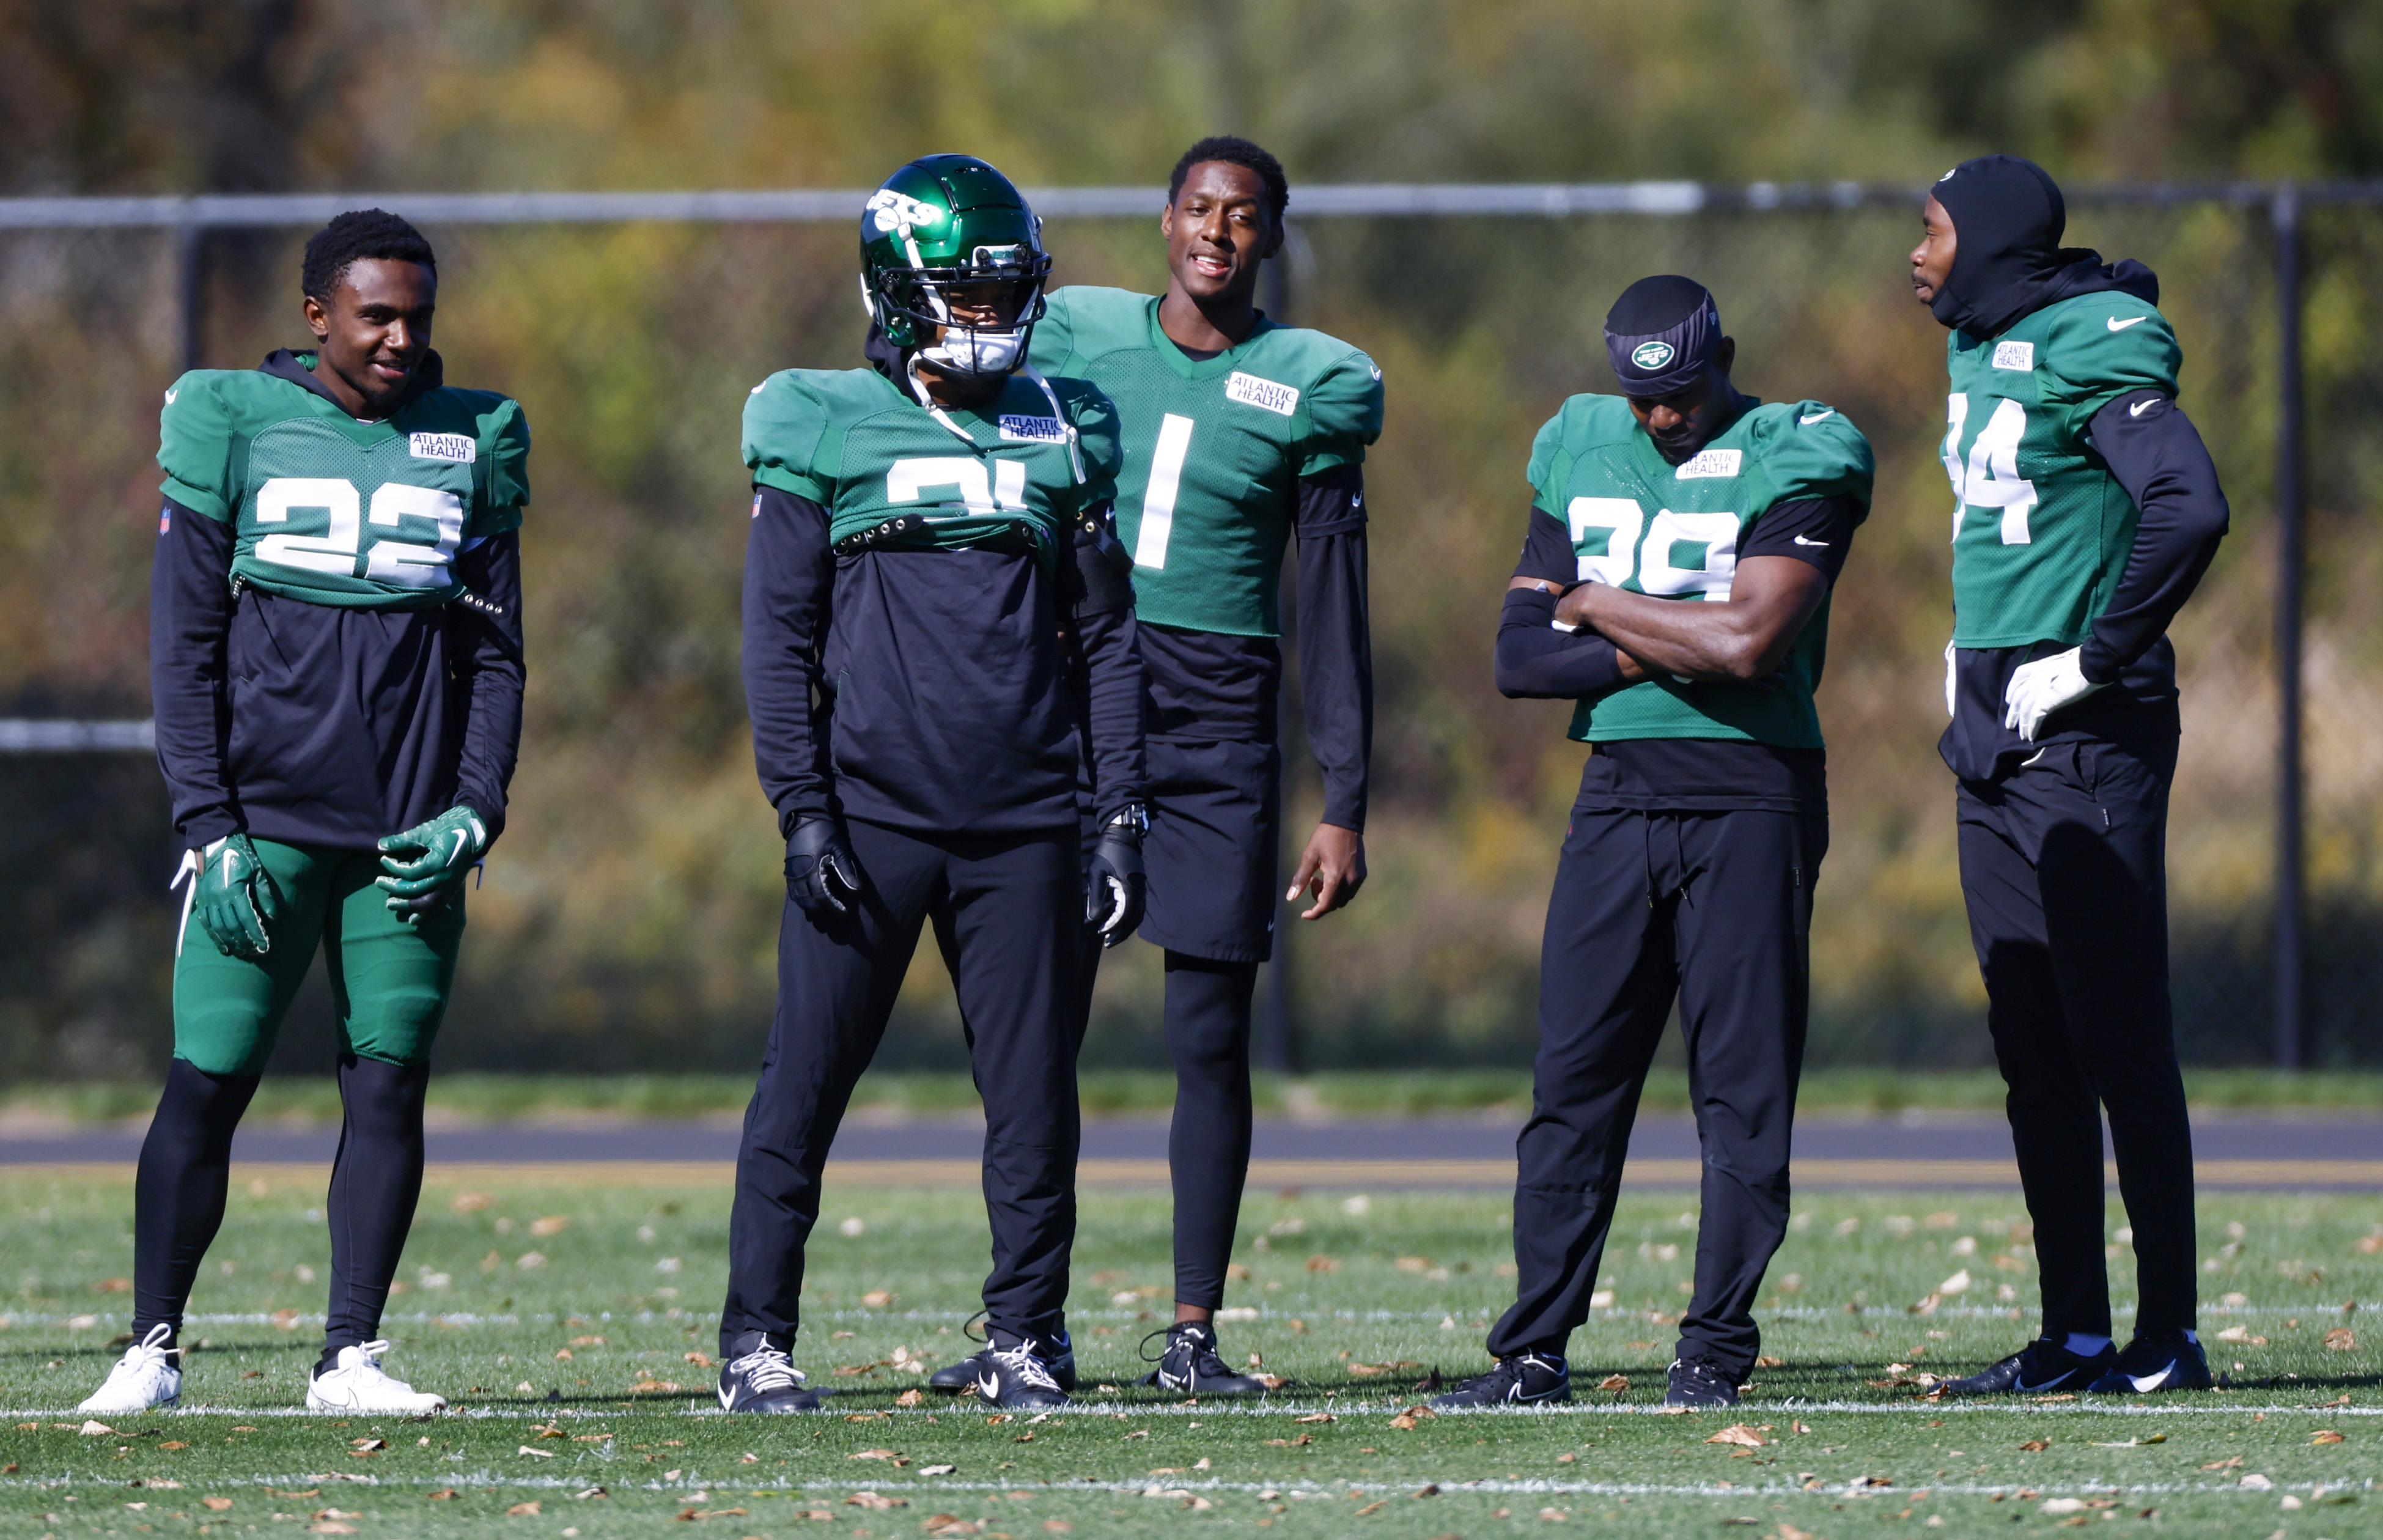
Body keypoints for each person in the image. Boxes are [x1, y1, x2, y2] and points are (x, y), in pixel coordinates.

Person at [927, 136, 1379, 1398]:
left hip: (1222, 716)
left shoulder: (1314, 382)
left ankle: (1189, 1334)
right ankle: (1031, 1324)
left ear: (1271, 240)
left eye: (1243, 217)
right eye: (1198, 207)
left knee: (1206, 1032)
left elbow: (1335, 605)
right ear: (1164, 217)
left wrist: (1343, 796)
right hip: (1078, 696)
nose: (1216, 233)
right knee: (1037, 1032)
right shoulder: (1071, 334)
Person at [79, 210, 528, 1416]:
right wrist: (206, 822)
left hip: (407, 830)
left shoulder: (475, 435)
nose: (399, 337)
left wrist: (475, 811)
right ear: (316, 312)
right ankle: (152, 1346)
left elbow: (496, 658)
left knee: (386, 1082)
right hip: (262, 822)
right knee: (209, 1078)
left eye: (417, 316)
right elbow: (182, 647)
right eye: (375, 314)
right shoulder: (233, 421)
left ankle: (350, 1356)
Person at [718, 155, 1144, 1415]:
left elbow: (1110, 639)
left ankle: (1025, 1334)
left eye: (1010, 286)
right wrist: (798, 806)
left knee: (1032, 1100)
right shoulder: (815, 416)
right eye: (969, 288)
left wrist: (1117, 811)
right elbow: (776, 639)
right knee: (804, 1078)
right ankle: (754, 1343)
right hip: (871, 811)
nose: (994, 310)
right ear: (901, 288)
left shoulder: (1061, 421)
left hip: (1025, 818)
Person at [1436, 276, 1871, 1411]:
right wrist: (1654, 640)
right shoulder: (1579, 436)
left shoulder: (1801, 444)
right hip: (1617, 790)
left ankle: (1713, 1351)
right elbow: (1519, 661)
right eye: (1644, 401)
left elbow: (1747, 645)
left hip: (1752, 792)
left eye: (1679, 394)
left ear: (1720, 356)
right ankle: (1531, 1354)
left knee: (1740, 1092)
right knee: (1572, 1080)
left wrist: (1596, 600)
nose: (1661, 418)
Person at [1913, 156, 2230, 1398]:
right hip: (1990, 723)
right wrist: (1972, 653)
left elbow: (2185, 505)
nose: (1913, 253)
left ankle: (2166, 1337)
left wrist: (2092, 657)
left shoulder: (2095, 340)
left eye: (1929, 229)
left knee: (2116, 1039)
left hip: (2083, 729)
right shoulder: (1980, 338)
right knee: (2031, 1045)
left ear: (1985, 239)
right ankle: (2074, 1337)